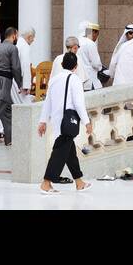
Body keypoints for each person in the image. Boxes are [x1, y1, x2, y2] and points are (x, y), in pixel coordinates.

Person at [38, 50, 92, 194]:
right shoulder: (75, 79)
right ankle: (46, 183)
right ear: (75, 66)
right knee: (60, 152)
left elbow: (47, 102)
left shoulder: (54, 79)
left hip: (57, 121)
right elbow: (79, 103)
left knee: (69, 152)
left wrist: (42, 121)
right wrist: (87, 122)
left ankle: (79, 182)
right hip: (68, 121)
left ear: (62, 64)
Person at [78, 21, 103, 90]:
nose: (96, 37)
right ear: (93, 32)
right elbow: (96, 64)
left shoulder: (77, 41)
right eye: (97, 34)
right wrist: (101, 68)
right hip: (90, 79)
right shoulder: (90, 43)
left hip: (78, 80)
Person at [15, 28, 35, 100]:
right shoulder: (25, 46)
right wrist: (26, 86)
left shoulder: (19, 44)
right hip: (21, 82)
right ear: (29, 37)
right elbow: (25, 66)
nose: (33, 40)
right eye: (33, 37)